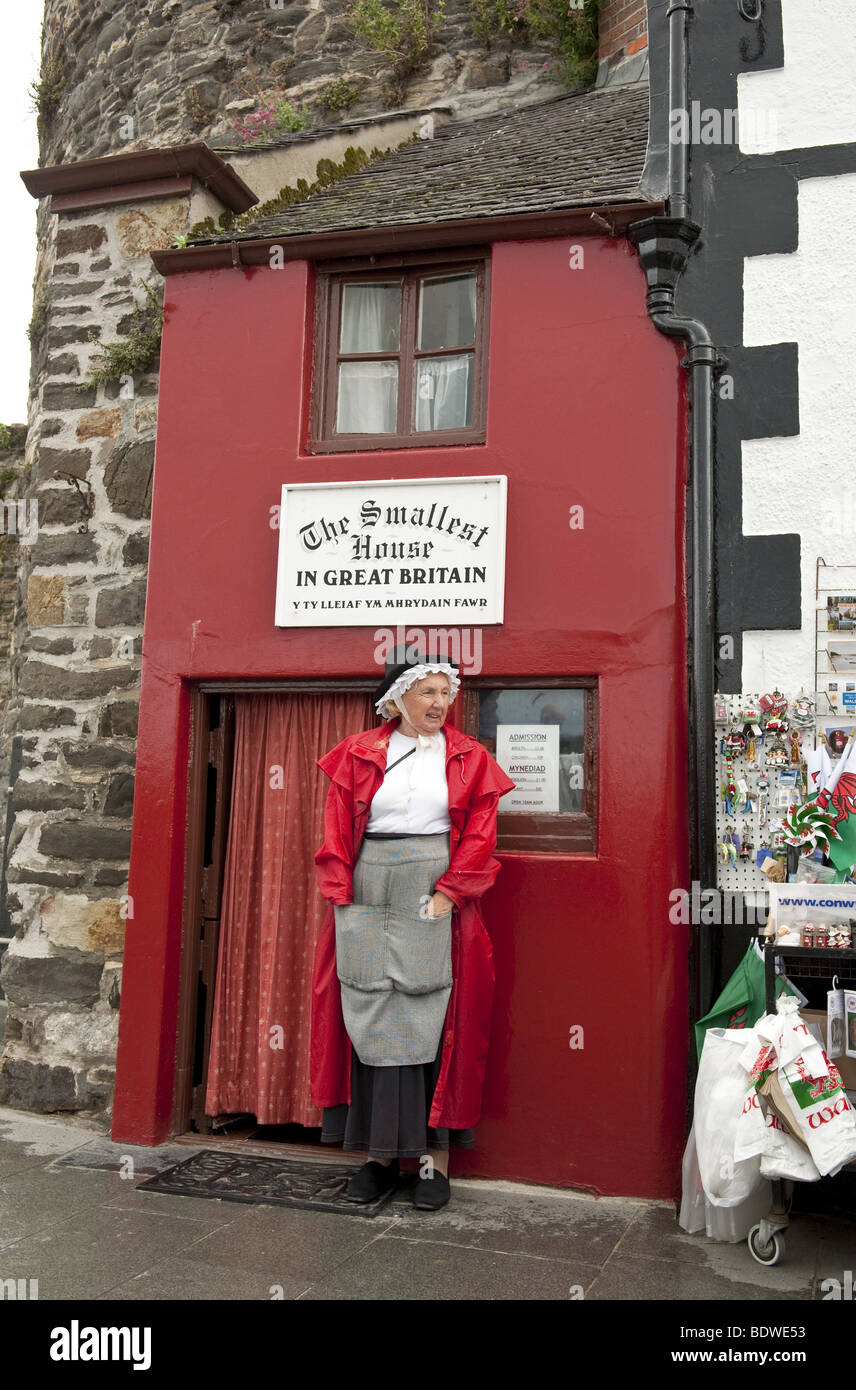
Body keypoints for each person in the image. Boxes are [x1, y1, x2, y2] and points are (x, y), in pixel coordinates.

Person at [311, 653, 515, 1210]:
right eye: (426, 692)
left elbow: (480, 834)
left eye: (444, 693)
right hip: (369, 887)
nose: (438, 703)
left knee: (434, 1015)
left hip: (434, 886)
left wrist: (450, 893)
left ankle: (433, 1165)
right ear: (397, 699)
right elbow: (335, 833)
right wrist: (342, 900)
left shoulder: (470, 758)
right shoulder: (357, 754)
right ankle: (377, 1159)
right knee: (369, 1005)